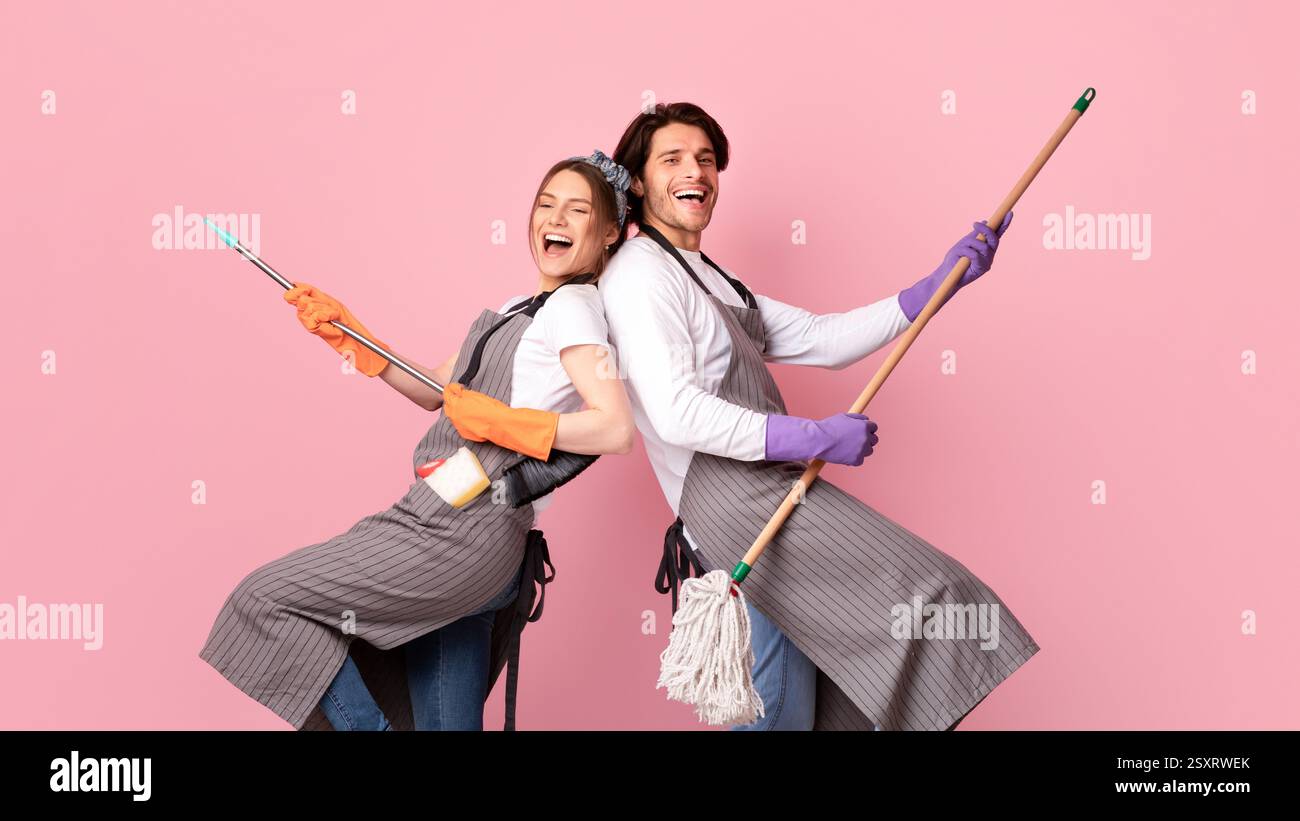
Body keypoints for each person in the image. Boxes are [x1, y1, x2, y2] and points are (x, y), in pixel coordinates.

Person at [600, 103, 1040, 731]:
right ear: (638, 182)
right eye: (671, 159)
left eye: (704, 158)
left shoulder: (709, 277)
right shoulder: (641, 276)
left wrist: (936, 287)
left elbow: (822, 338)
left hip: (768, 495)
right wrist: (814, 437)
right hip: (735, 514)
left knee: (797, 700)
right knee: (916, 605)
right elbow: (675, 414)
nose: (693, 170)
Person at [199, 151, 636, 730]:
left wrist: (504, 424)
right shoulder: (516, 307)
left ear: (608, 232)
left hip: (462, 532)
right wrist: (352, 338)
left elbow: (615, 427)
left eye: (577, 210)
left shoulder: (576, 310)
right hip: (452, 520)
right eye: (545, 204)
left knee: (267, 596)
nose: (555, 218)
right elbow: (437, 391)